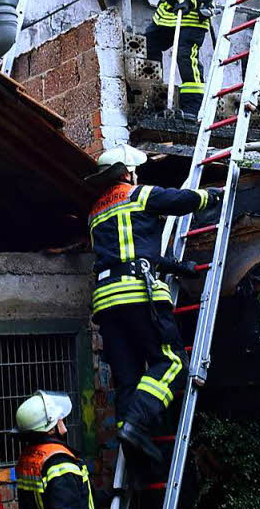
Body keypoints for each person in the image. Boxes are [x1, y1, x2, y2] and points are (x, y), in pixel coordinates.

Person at [85, 144, 223, 462]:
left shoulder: (95, 213)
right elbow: (179, 200)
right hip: (137, 295)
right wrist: (211, 196)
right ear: (128, 173)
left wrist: (177, 267)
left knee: (128, 380)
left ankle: (136, 456)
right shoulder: (138, 194)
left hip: (106, 303)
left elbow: (131, 252)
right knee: (172, 363)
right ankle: (137, 423)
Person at [14, 390, 98, 509]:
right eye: (60, 421)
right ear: (50, 429)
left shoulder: (30, 458)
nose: (64, 428)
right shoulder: (60, 463)